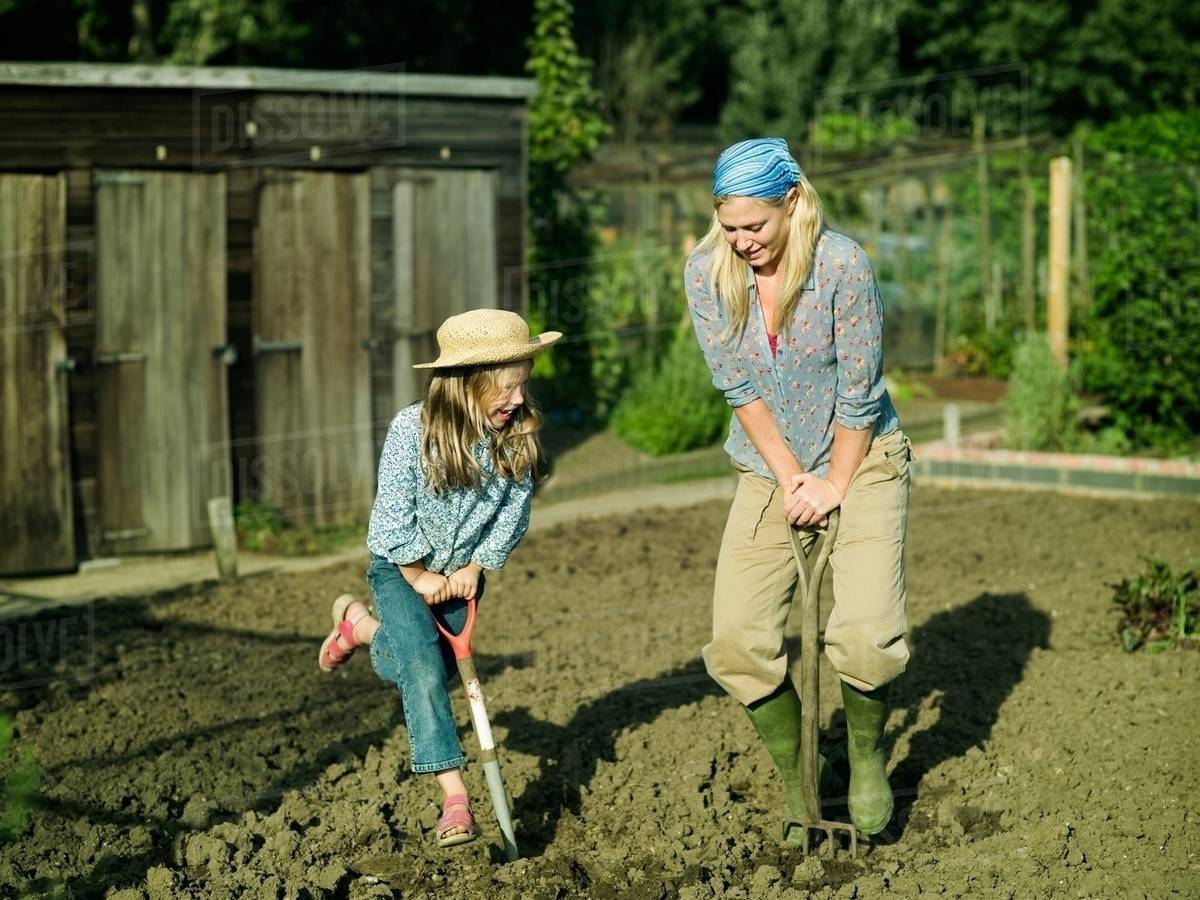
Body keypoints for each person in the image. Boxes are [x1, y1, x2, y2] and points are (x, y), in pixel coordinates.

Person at [684, 138, 913, 840]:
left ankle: (867, 759)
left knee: (868, 636)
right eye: (730, 227)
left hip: (864, 456)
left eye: (755, 226)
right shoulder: (704, 271)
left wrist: (835, 481)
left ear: (792, 202)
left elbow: (859, 391)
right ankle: (804, 780)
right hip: (768, 466)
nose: (742, 241)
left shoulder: (843, 264)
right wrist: (790, 477)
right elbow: (739, 387)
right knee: (736, 641)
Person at [317, 308, 560, 849]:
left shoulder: (515, 436)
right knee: (424, 672)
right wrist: (418, 575)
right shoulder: (412, 430)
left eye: (521, 385)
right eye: (503, 389)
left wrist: (476, 566)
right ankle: (455, 801)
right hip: (400, 570)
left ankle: (358, 629)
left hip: (463, 575)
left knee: (419, 666)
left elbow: (514, 510)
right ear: (465, 386)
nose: (517, 400)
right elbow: (390, 515)